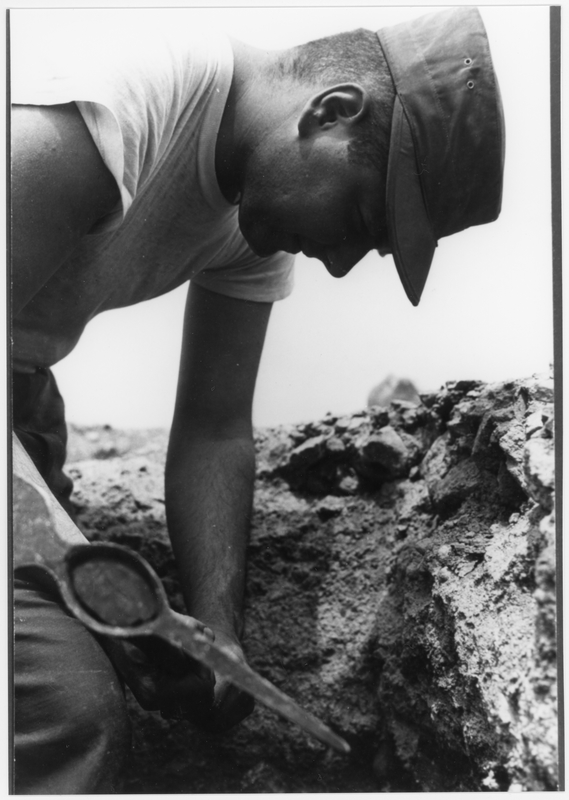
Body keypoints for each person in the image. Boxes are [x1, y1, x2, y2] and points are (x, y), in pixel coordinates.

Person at [10, 6, 505, 793]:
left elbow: (214, 428)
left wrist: (220, 636)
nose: (338, 264)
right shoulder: (129, 88)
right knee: (61, 713)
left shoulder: (257, 216)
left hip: (21, 405)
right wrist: (86, 571)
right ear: (332, 110)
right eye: (359, 220)